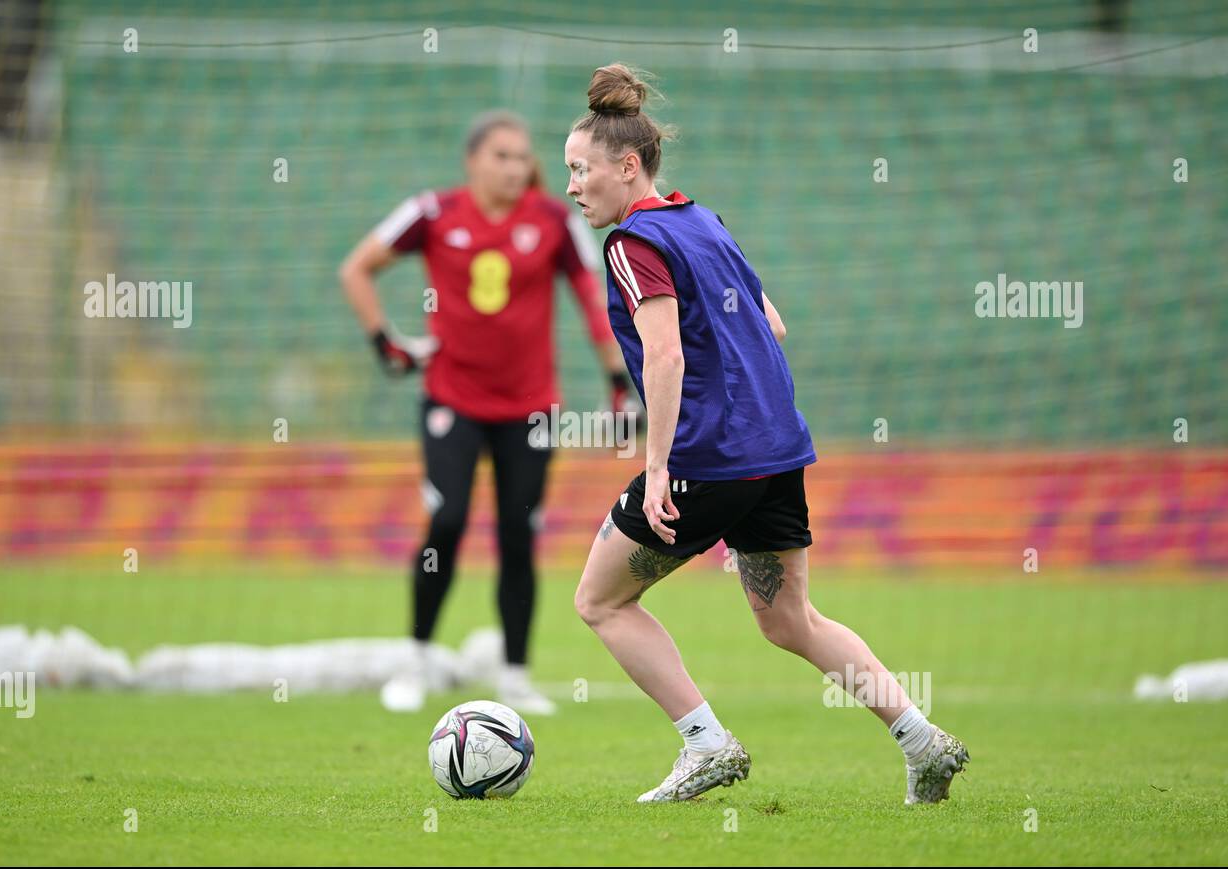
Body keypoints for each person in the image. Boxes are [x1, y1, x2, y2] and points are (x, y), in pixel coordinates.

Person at [566, 64, 970, 803]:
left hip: (706, 460)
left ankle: (706, 743)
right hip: (777, 449)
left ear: (626, 168)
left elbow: (665, 353)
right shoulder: (703, 221)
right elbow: (772, 323)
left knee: (601, 602)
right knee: (790, 619)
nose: (572, 185)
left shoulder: (631, 245)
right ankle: (922, 739)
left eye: (580, 169)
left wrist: (657, 470)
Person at [340, 109, 636, 715]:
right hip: (452, 398)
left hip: (530, 407)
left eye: (523, 156)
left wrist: (616, 381)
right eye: (501, 155)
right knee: (445, 521)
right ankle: (416, 659)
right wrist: (386, 343)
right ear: (472, 160)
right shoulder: (432, 213)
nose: (514, 167)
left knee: (518, 534)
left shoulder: (553, 219)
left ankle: (516, 677)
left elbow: (590, 294)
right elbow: (357, 268)